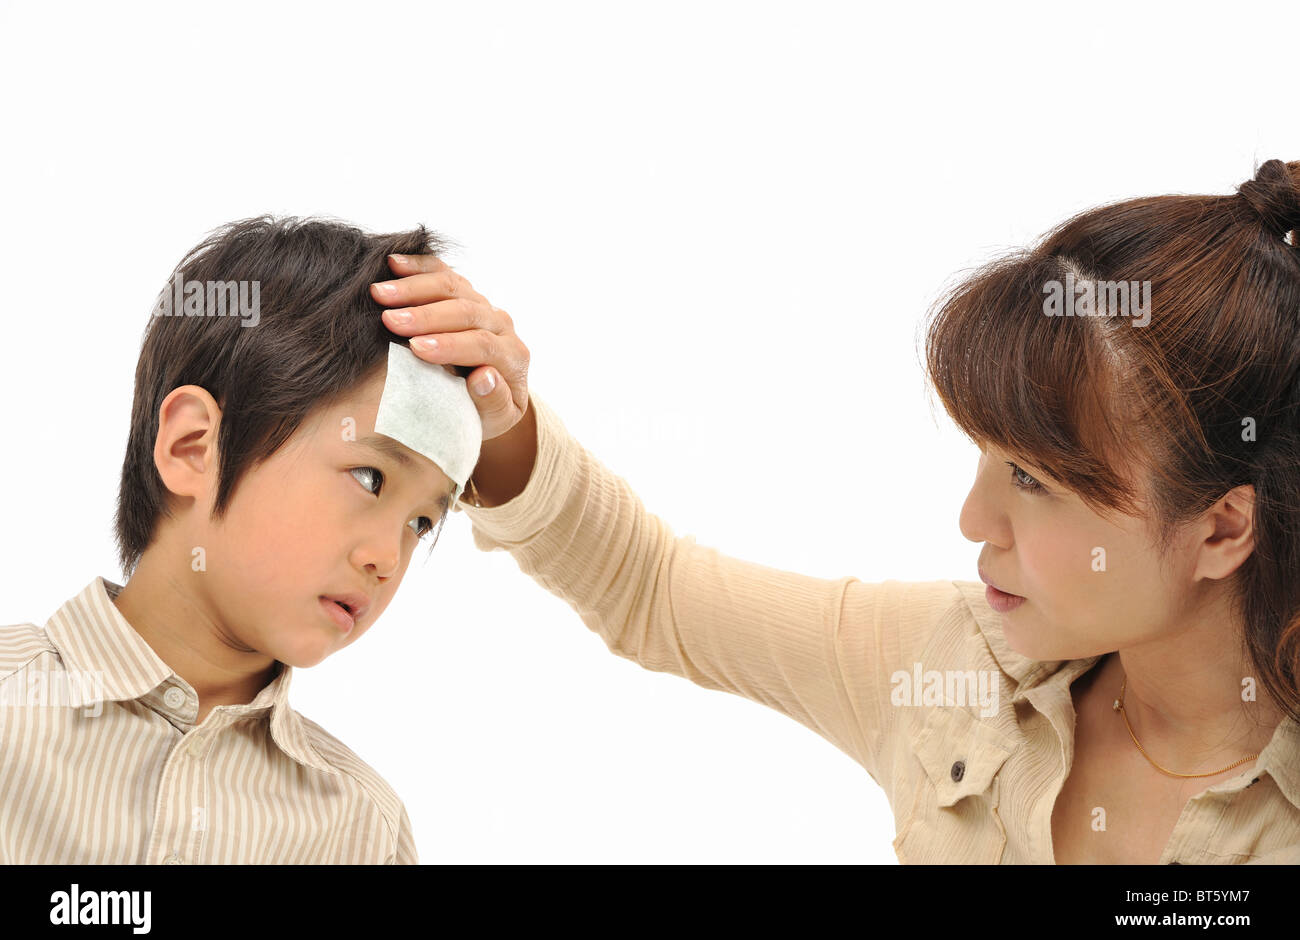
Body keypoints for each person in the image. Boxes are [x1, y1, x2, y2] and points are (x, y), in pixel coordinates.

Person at [378, 159, 1300, 864]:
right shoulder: (955, 667)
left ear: (1221, 528)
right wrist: (500, 415)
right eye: (986, 458)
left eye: (1033, 480)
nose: (974, 519)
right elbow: (653, 591)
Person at [0, 215, 479, 863]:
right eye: (369, 477)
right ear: (195, 446)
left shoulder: (361, 829)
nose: (386, 558)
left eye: (422, 522)